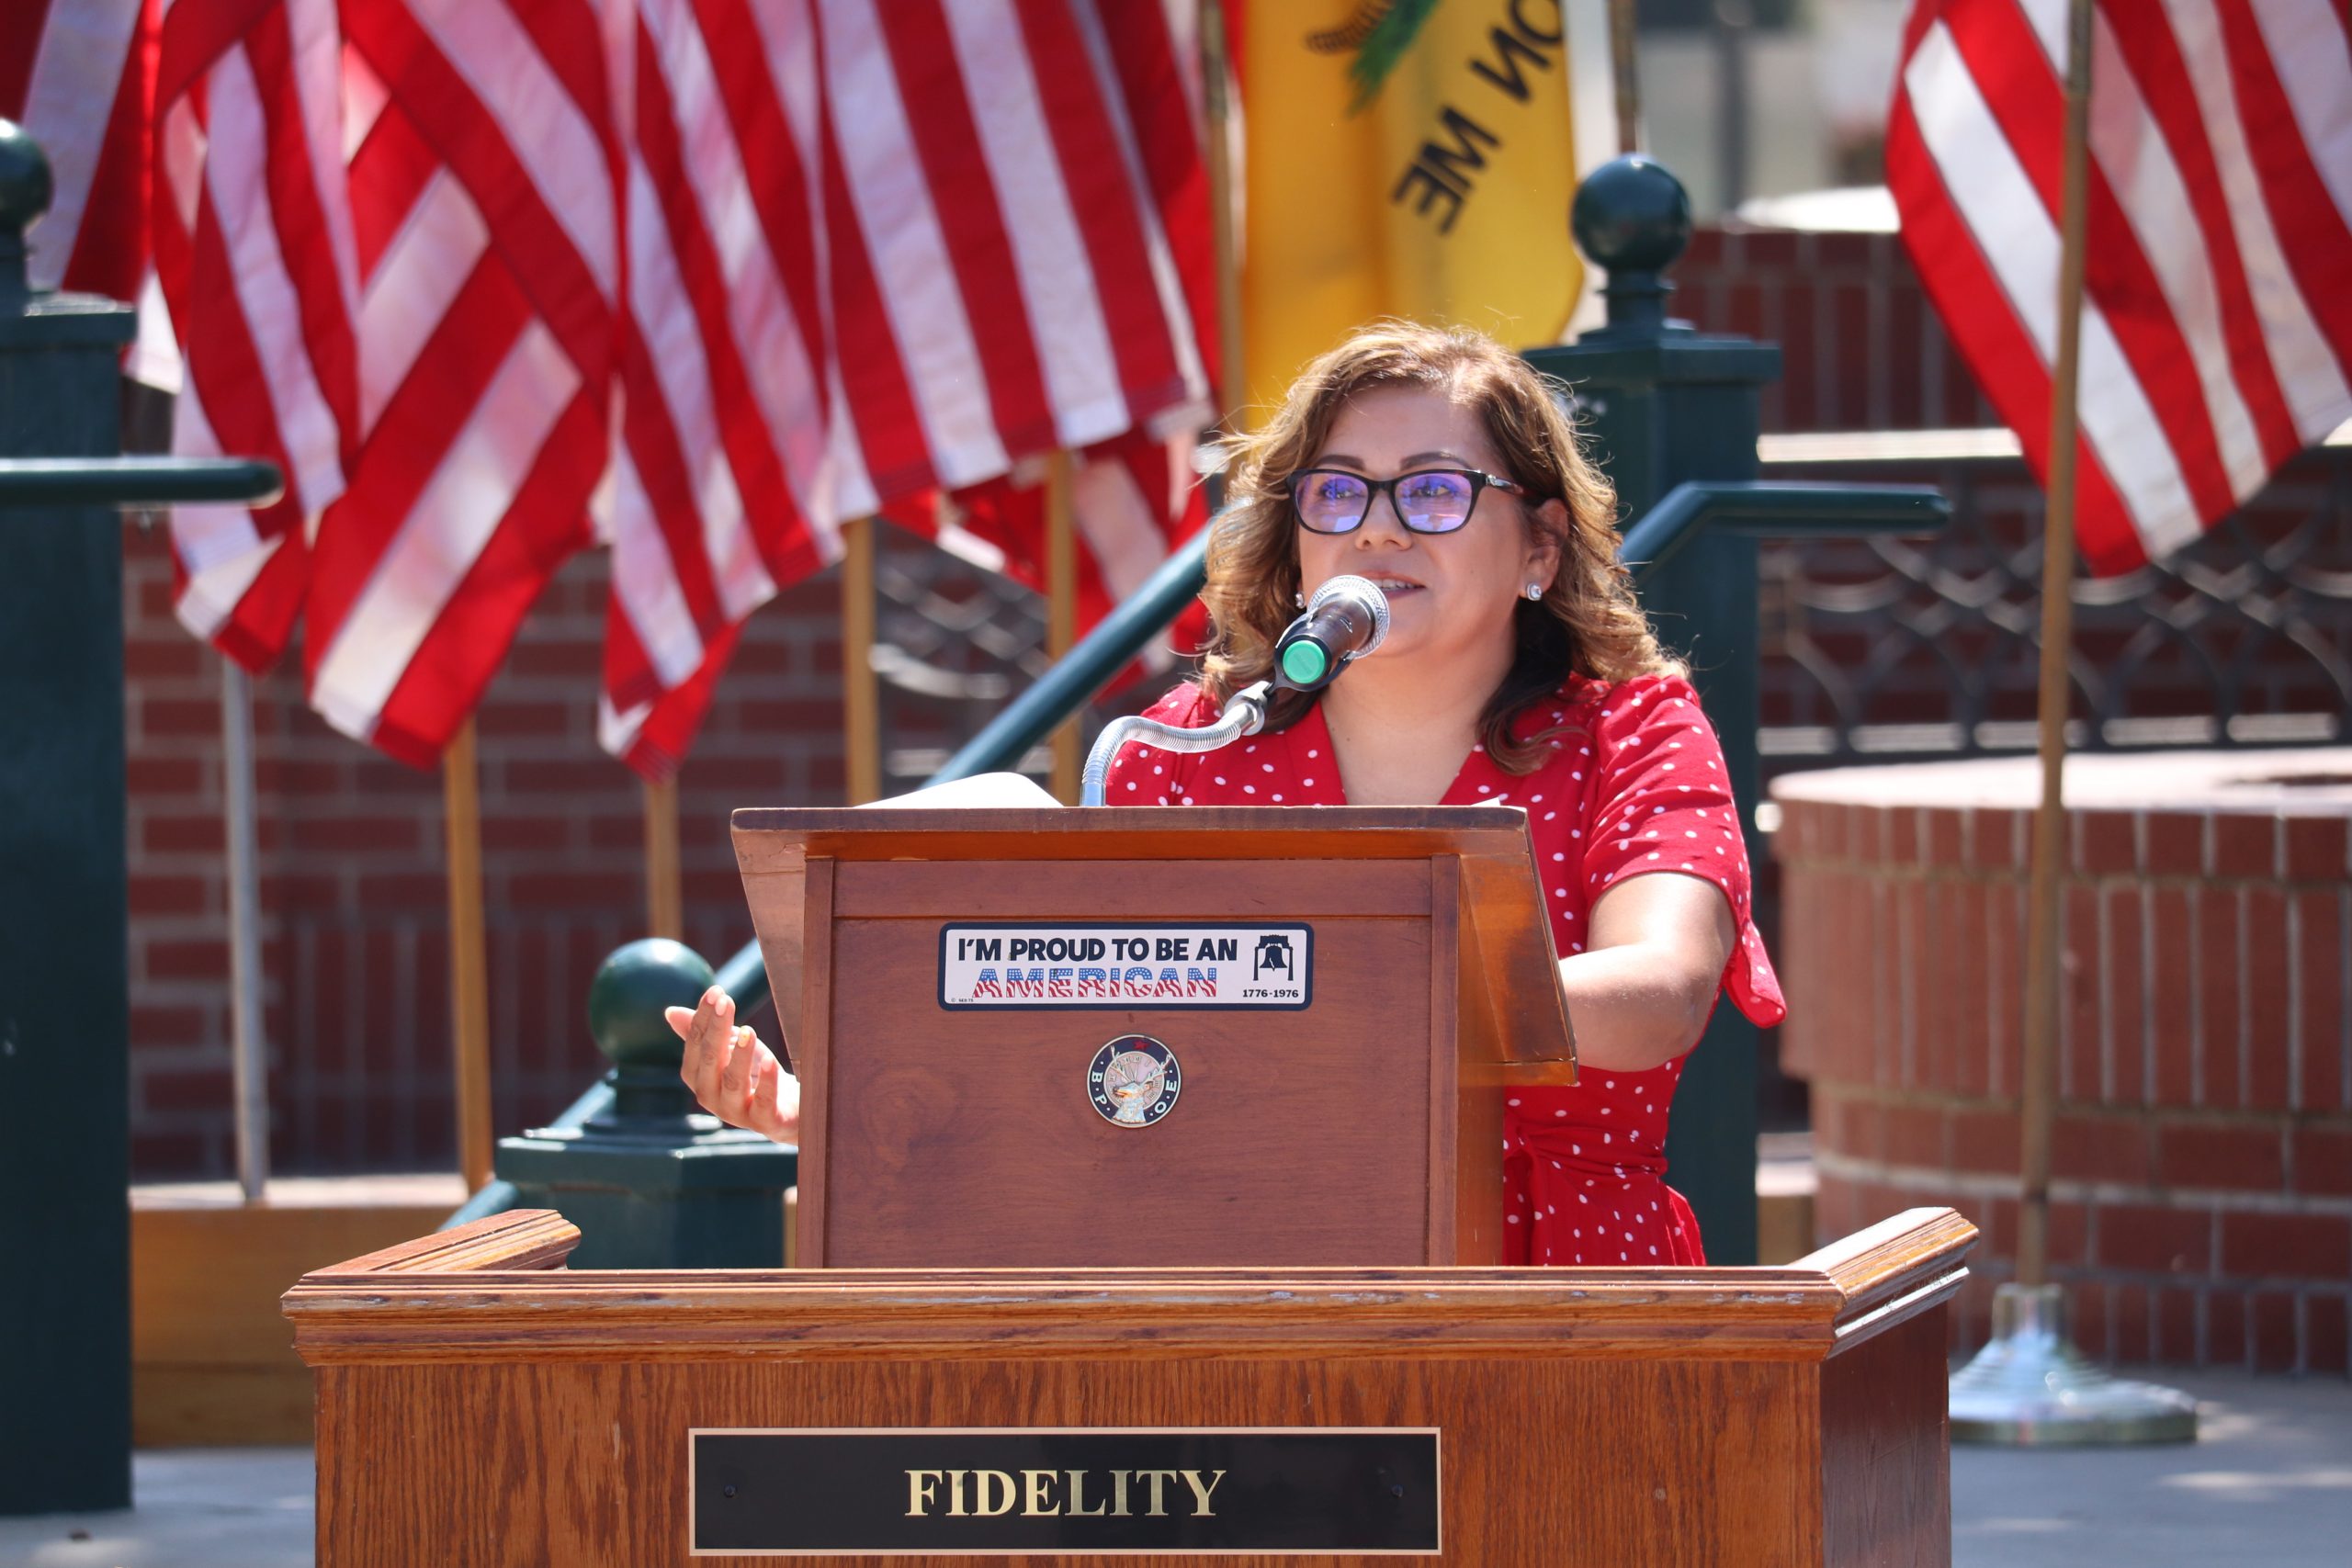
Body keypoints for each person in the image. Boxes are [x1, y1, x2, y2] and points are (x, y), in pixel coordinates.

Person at [672, 320, 1784, 1266]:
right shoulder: (1190, 752)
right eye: (1336, 493)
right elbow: (1102, 1064)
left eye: (1436, 492)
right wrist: (829, 1113)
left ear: (1539, 546)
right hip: (1241, 1279)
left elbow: (1663, 992)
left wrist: (1348, 974)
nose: (1377, 527)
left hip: (1555, 1296)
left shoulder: (1631, 730)